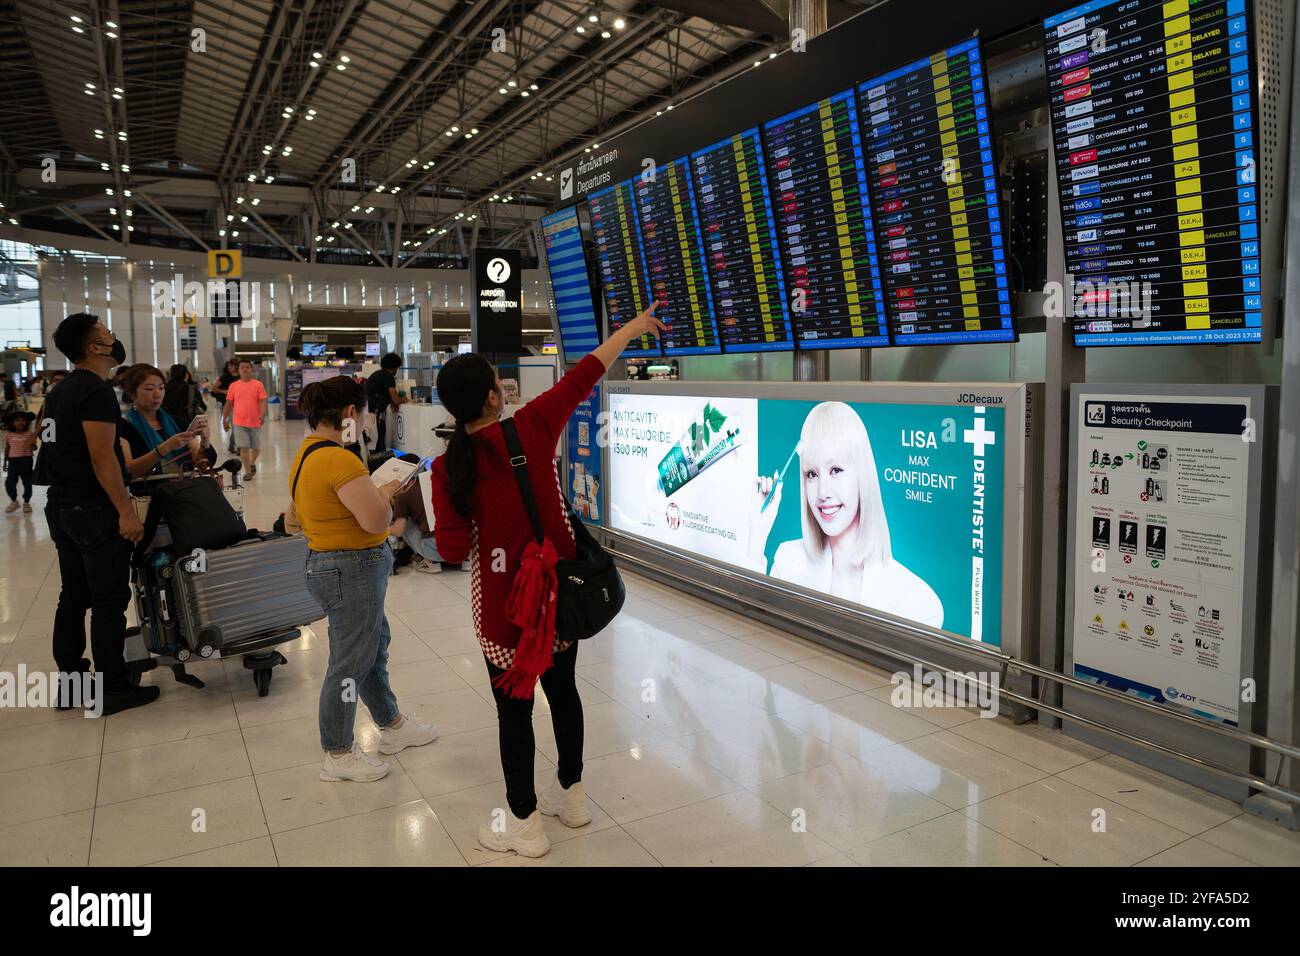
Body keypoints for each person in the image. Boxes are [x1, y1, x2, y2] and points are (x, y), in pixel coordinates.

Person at [428, 302, 665, 858]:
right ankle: (574, 798)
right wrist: (631, 327)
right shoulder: (534, 425)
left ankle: (525, 827)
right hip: (559, 601)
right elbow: (588, 371)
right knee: (564, 694)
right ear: (493, 397)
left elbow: (453, 551)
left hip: (503, 615)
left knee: (514, 714)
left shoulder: (447, 469)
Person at [286, 375, 438, 782]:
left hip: (329, 564)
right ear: (351, 413)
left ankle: (391, 725)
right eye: (365, 411)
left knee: (370, 648)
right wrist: (384, 492)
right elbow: (378, 521)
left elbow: (291, 520)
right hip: (351, 569)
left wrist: (364, 494)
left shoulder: (306, 454)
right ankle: (337, 752)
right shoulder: (339, 459)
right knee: (349, 662)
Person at [37, 313, 157, 714]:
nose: (113, 337)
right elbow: (102, 455)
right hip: (92, 507)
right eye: (107, 334)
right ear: (95, 347)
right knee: (108, 600)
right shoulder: (95, 391)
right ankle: (113, 687)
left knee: (73, 597)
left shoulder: (61, 390)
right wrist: (125, 511)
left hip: (62, 505)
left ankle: (71, 685)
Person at [746, 401, 943, 627]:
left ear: (863, 474)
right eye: (811, 474)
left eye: (836, 470)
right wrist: (757, 534)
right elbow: (753, 635)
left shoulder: (916, 601)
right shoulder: (787, 560)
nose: (823, 492)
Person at [119, 364, 213, 477]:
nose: (157, 394)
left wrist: (204, 443)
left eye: (161, 388)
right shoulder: (122, 428)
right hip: (147, 492)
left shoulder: (178, 423)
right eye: (150, 388)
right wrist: (164, 448)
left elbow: (201, 465)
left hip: (184, 489)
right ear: (132, 393)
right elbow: (128, 471)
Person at [222, 360, 266, 480]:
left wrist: (262, 414)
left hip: (255, 421)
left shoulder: (258, 385)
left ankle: (252, 463)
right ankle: (247, 472)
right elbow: (228, 403)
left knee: (256, 448)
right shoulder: (233, 386)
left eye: (247, 367)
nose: (245, 369)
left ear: (251, 369)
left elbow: (262, 401)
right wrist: (224, 419)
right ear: (239, 370)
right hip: (239, 422)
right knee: (243, 447)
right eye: (242, 368)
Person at [388, 477, 443, 573]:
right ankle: (465, 561)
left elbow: (398, 531)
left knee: (405, 522)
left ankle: (431, 562)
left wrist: (378, 528)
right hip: (465, 549)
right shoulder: (438, 480)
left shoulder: (403, 492)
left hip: (436, 551)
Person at [366, 353, 406, 452]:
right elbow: (395, 398)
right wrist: (402, 400)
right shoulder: (388, 377)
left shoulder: (377, 374)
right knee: (378, 440)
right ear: (395, 367)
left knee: (373, 442)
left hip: (368, 413)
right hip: (376, 415)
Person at [4, 411, 37, 513]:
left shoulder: (29, 434)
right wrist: (5, 462)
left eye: (23, 420)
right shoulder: (8, 435)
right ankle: (14, 501)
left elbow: (34, 447)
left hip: (26, 461)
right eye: (17, 420)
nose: (21, 422)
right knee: (9, 482)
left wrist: (33, 445)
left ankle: (26, 503)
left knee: (27, 482)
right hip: (13, 461)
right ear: (12, 423)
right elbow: (7, 449)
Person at [210, 358, 240, 453]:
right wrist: (227, 392)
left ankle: (232, 445)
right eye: (228, 365)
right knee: (236, 425)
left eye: (231, 365)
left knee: (238, 425)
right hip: (229, 404)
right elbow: (214, 388)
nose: (229, 367)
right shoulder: (225, 377)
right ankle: (238, 446)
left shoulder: (241, 377)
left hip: (241, 404)